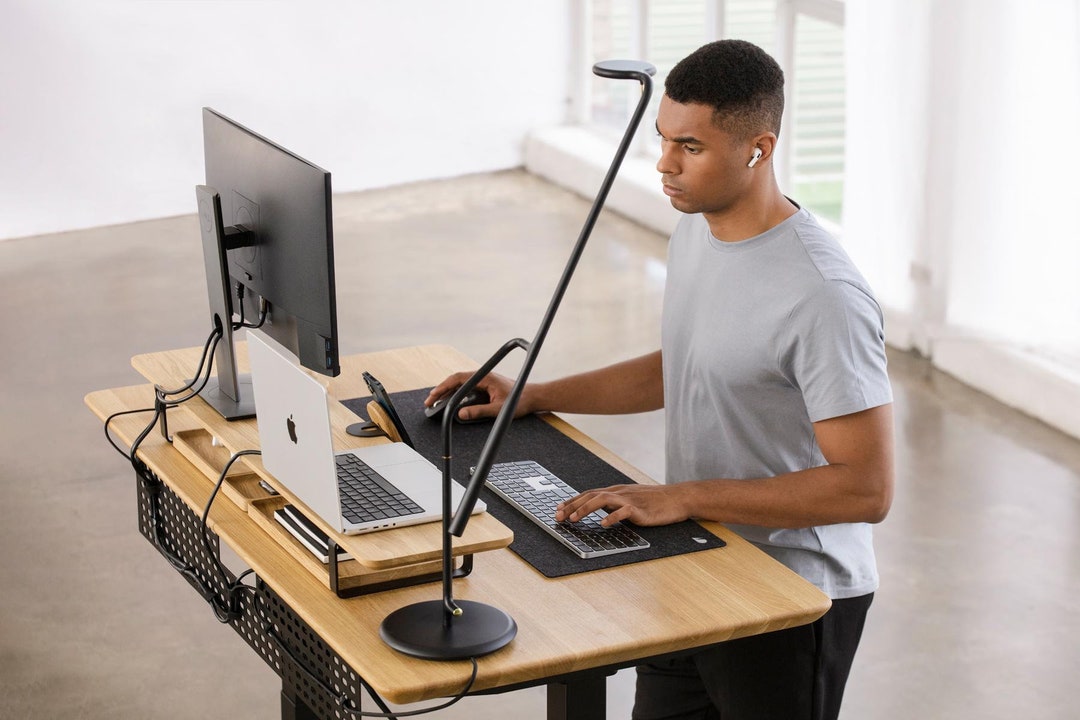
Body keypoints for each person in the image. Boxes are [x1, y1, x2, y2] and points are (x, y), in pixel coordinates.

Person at [426, 39, 894, 720]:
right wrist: (536, 396)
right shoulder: (699, 230)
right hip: (698, 555)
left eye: (690, 147)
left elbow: (867, 487)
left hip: (791, 597)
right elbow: (686, 364)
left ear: (758, 150)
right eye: (663, 139)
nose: (665, 164)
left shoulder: (823, 297)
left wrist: (682, 496)